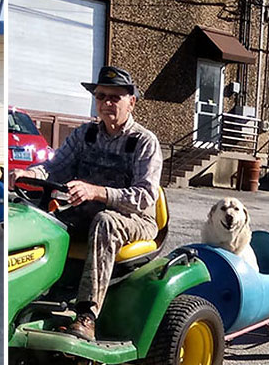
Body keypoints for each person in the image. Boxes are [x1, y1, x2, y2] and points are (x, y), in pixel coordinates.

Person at [9, 66, 163, 341]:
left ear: (132, 102)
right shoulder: (85, 135)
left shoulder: (143, 142)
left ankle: (87, 315)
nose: (106, 103)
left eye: (114, 97)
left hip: (135, 220)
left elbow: (144, 197)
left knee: (106, 222)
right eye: (101, 96)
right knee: (39, 219)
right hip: (86, 214)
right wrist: (29, 174)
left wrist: (96, 192)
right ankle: (32, 295)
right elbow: (54, 168)